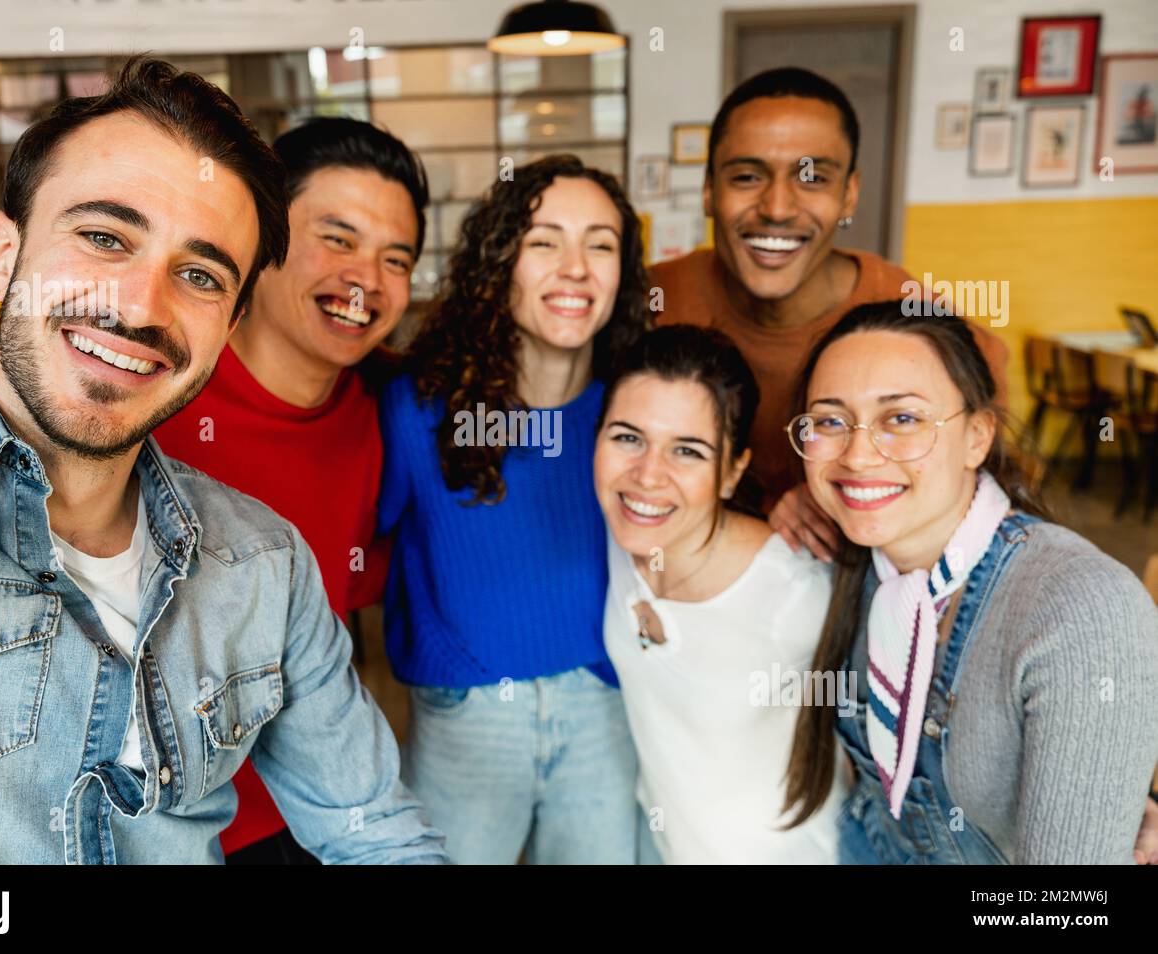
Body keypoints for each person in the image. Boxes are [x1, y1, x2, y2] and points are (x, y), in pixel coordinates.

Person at [0, 57, 446, 864]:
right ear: (3, 253)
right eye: (103, 237)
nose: (140, 305)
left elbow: (375, 833)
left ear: (229, 321)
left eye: (199, 275)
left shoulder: (266, 561)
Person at [781, 300, 1158, 863]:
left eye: (902, 418)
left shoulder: (1078, 605)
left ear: (978, 436)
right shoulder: (858, 567)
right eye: (830, 421)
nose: (858, 455)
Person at [153, 116, 427, 863]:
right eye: (337, 238)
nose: (365, 281)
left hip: (312, 808)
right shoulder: (153, 399)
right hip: (158, 821)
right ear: (262, 240)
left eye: (395, 258)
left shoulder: (390, 417)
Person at [378, 154, 650, 863]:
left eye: (601, 243)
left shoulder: (636, 412)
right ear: (500, 262)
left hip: (603, 705)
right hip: (468, 712)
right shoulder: (417, 409)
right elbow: (347, 555)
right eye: (543, 241)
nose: (576, 267)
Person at [647, 67, 1009, 559]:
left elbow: (988, 481)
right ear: (710, 190)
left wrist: (837, 488)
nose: (776, 207)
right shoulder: (651, 300)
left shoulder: (911, 321)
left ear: (849, 195)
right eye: (747, 176)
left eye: (813, 177)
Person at [595, 324, 847, 863]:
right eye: (627, 437)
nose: (647, 475)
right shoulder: (623, 537)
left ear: (732, 473)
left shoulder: (794, 592)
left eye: (687, 450)